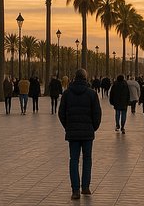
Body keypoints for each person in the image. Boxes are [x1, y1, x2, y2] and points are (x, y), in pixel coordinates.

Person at [58, 68, 102, 200]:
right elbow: (97, 114)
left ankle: (75, 190)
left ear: (74, 78)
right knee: (87, 159)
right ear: (85, 78)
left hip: (73, 133)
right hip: (87, 133)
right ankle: (86, 187)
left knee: (74, 160)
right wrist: (93, 128)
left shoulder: (67, 93)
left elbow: (61, 113)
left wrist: (68, 126)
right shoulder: (92, 94)